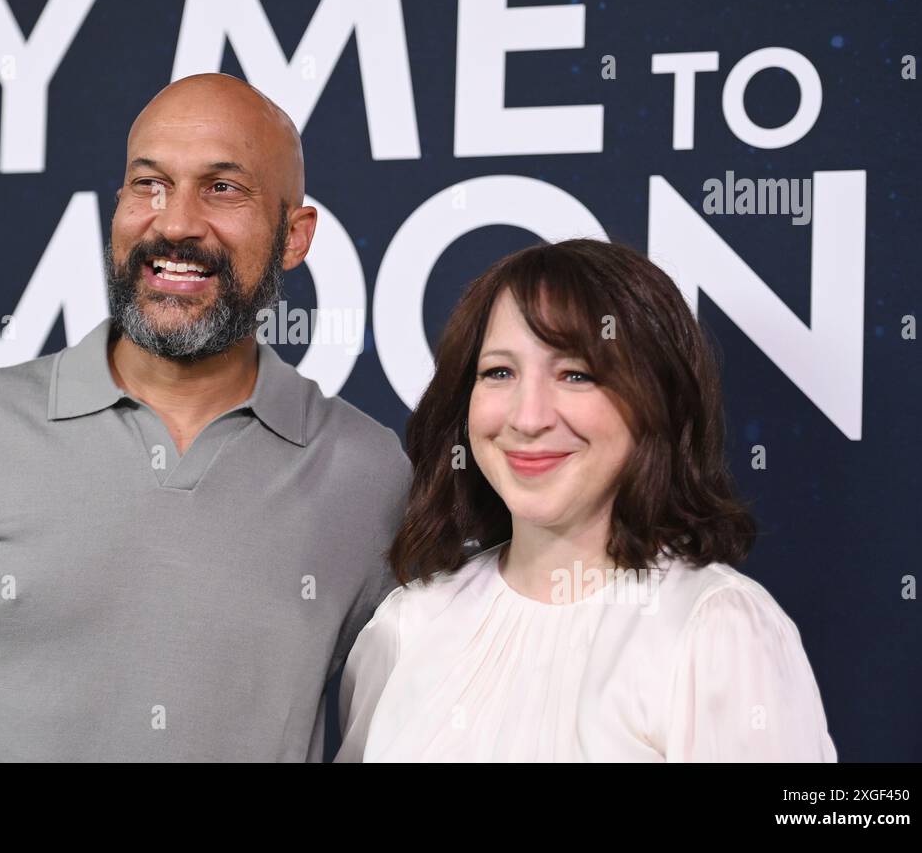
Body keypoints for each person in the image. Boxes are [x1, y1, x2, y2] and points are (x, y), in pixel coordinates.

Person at [0, 73, 410, 762]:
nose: (176, 222)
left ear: (294, 236)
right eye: (148, 183)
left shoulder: (368, 474)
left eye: (223, 188)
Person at [335, 239, 837, 762]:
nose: (529, 418)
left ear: (656, 401)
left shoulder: (715, 629)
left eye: (576, 374)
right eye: (499, 373)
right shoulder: (407, 626)